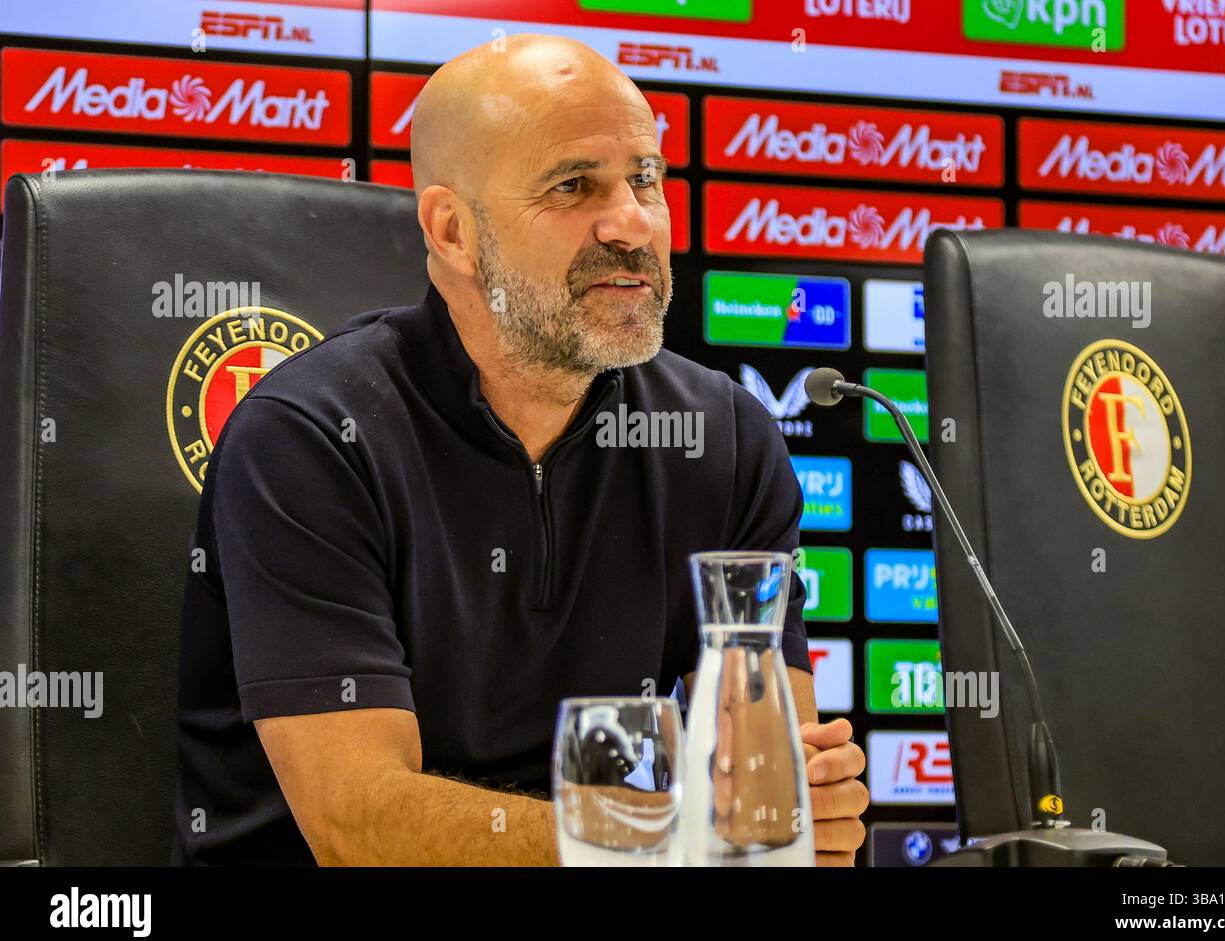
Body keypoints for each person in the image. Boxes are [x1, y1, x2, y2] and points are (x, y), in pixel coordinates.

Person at [173, 33, 868, 866]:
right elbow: (360, 825)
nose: (633, 222)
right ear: (453, 230)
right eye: (575, 185)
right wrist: (666, 843)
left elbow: (768, 766)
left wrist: (806, 812)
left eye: (645, 177)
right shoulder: (310, 438)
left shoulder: (725, 434)